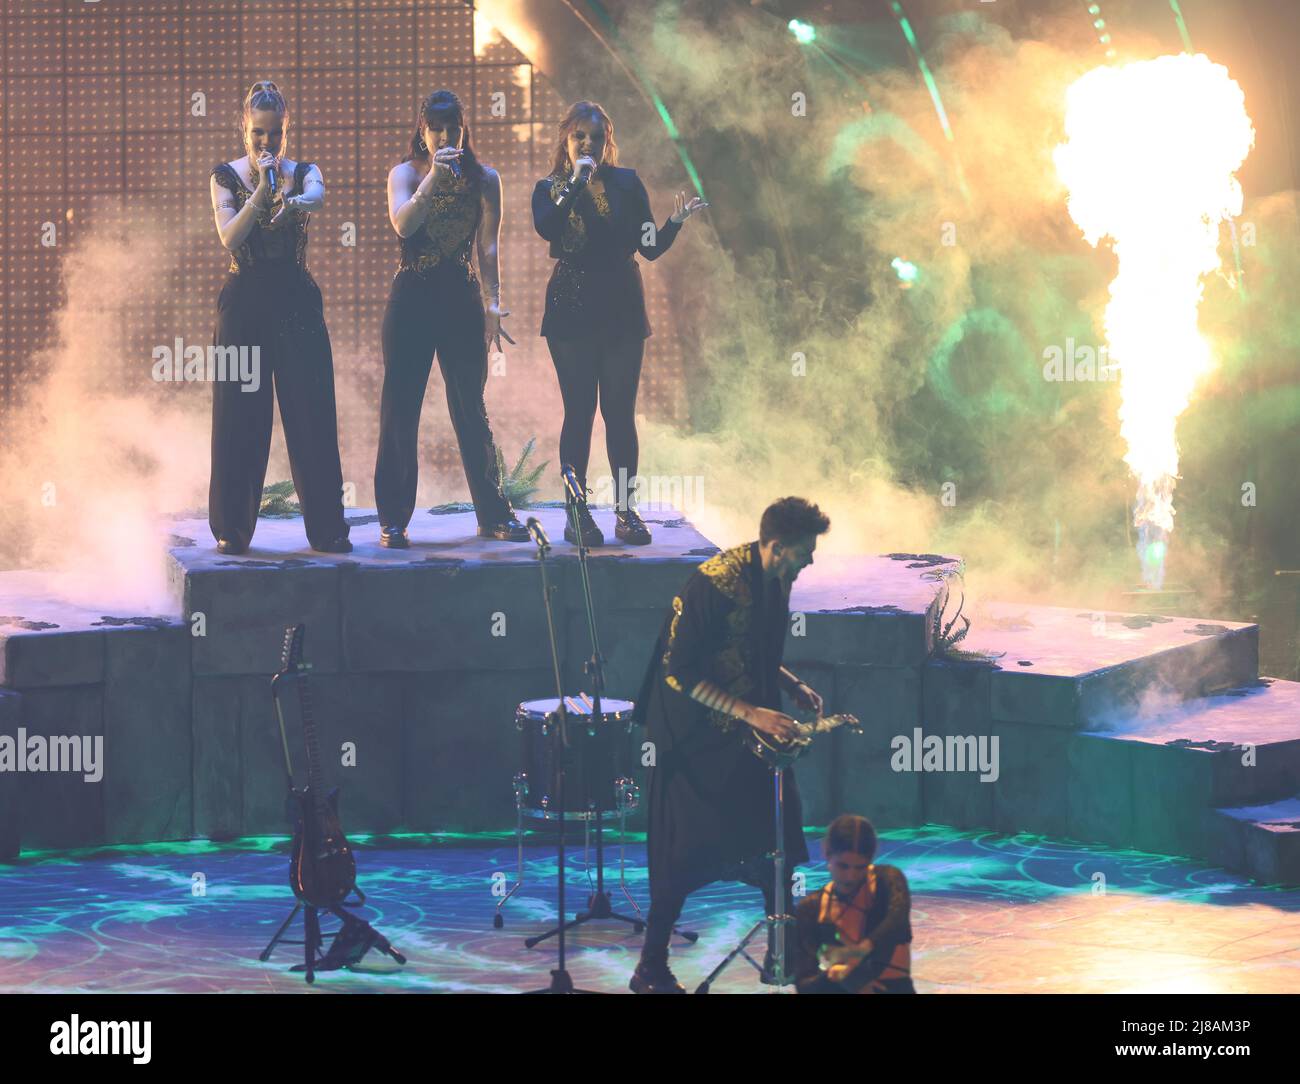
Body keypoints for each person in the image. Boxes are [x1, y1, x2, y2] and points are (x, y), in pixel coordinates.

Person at [629, 496, 831, 993]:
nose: (810, 560)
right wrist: (751, 712)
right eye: (805, 550)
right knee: (683, 852)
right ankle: (650, 968)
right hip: (691, 739)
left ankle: (784, 957)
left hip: (747, 728)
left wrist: (789, 684)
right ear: (778, 545)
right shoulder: (714, 585)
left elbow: (752, 649)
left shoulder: (777, 578)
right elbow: (678, 672)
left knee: (776, 837)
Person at [532, 101, 707, 547]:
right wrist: (576, 181)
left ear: (607, 141)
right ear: (565, 140)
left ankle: (626, 512)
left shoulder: (627, 183)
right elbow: (549, 228)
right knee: (579, 412)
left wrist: (675, 223)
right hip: (572, 304)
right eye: (579, 137)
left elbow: (647, 247)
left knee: (619, 414)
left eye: (595, 137)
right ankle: (577, 512)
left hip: (622, 305)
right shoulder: (549, 187)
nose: (587, 143)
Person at [373, 89, 529, 547]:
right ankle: (393, 520)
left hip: (460, 297)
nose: (445, 136)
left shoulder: (485, 179)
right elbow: (403, 224)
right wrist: (432, 180)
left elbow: (489, 245)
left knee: (471, 407)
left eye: (452, 128)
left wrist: (493, 303)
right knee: (400, 408)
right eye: (436, 128)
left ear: (464, 130)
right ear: (422, 132)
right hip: (412, 298)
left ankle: (494, 514)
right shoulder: (404, 173)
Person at [208, 81, 351, 555]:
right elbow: (229, 237)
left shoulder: (303, 171)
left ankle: (328, 529)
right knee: (238, 414)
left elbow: (318, 197)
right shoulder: (224, 175)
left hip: (295, 300)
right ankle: (232, 528)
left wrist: (286, 197)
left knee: (310, 412)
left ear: (286, 130)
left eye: (275, 134)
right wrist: (260, 193)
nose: (267, 143)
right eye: (258, 135)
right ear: (244, 130)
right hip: (244, 302)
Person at [792, 814, 916, 994]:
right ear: (827, 854)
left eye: (860, 868)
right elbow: (803, 984)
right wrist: (838, 976)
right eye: (843, 866)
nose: (851, 877)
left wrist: (860, 950)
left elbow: (897, 922)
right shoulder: (811, 908)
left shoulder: (886, 881)